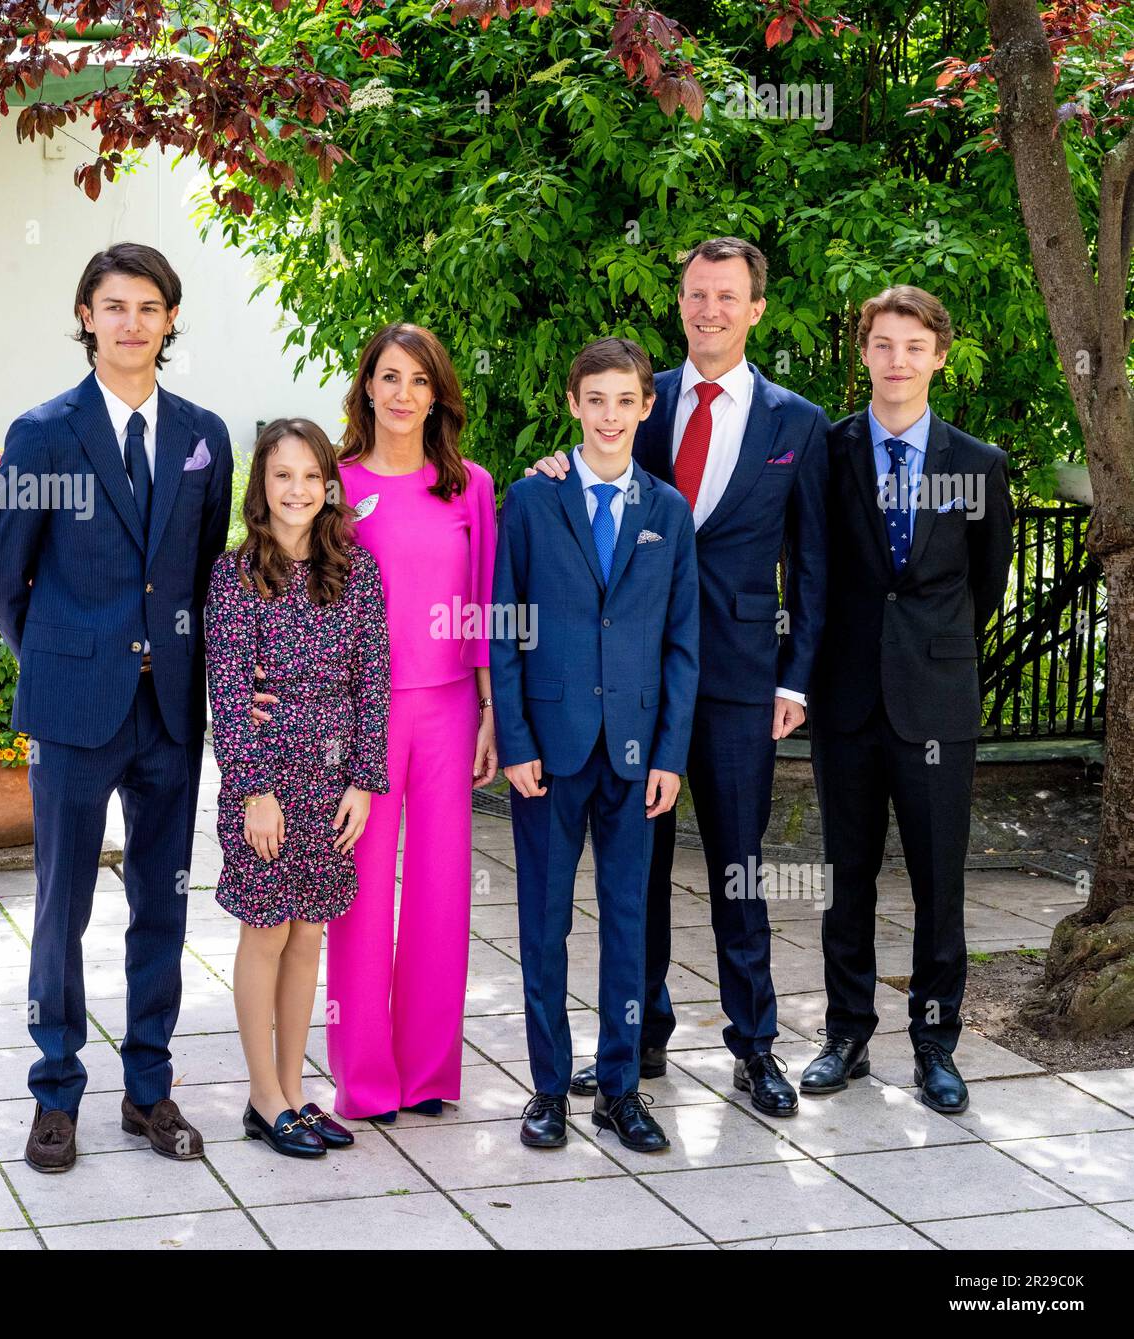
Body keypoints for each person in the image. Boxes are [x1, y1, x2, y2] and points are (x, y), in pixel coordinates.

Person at [529, 238, 828, 1117]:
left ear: (756, 308)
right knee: (639, 868)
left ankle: (755, 1044)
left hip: (740, 679)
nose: (709, 311)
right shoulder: (641, 399)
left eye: (727, 296)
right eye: (696, 295)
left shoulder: (795, 421)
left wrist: (795, 680)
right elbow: (596, 473)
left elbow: (811, 568)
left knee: (738, 864)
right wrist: (555, 465)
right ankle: (641, 1036)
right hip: (635, 679)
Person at [0, 243, 232, 1171]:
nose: (131, 322)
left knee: (161, 906)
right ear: (85, 315)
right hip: (74, 710)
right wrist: (57, 660)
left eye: (149, 307)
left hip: (170, 712)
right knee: (63, 906)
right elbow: (1, 574)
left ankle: (150, 1090)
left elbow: (204, 577)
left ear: (170, 321)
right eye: (113, 306)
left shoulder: (205, 435)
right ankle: (56, 1092)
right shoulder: (44, 432)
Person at [800, 286, 1013, 1114]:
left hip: (935, 702)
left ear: (939, 357)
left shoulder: (978, 464)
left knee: (938, 884)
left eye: (914, 347)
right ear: (864, 353)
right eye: (883, 345)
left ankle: (935, 1045)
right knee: (845, 878)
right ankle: (845, 1035)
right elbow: (810, 563)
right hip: (846, 701)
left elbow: (983, 585)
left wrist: (927, 651)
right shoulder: (828, 449)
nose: (898, 361)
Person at [493, 337, 700, 1153]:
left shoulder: (668, 512)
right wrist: (512, 738)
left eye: (626, 401)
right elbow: (504, 629)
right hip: (547, 750)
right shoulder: (531, 501)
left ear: (647, 408)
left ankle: (619, 1089)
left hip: (636, 753)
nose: (611, 416)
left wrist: (672, 754)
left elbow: (683, 642)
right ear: (573, 405)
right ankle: (548, 1087)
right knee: (544, 925)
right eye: (596, 400)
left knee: (627, 924)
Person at [321, 323, 498, 1122]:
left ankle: (427, 1072)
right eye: (388, 378)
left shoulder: (472, 487)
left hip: (453, 705)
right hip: (362, 711)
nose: (402, 395)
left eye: (419, 381)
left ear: (438, 395)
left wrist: (493, 711)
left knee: (439, 889)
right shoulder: (333, 481)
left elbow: (489, 604)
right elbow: (305, 593)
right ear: (366, 387)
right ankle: (364, 1078)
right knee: (357, 892)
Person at [204, 418, 391, 1157]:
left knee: (310, 929)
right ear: (262, 484)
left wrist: (365, 781)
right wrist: (253, 788)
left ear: (329, 485)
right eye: (282, 475)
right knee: (268, 927)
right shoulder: (235, 573)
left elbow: (374, 679)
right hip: (267, 780)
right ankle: (260, 1092)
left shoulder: (356, 568)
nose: (298, 490)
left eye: (311, 476)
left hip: (332, 779)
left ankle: (290, 1091)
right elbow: (225, 685)